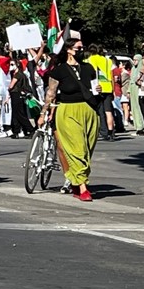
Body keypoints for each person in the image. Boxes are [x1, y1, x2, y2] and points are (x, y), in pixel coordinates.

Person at [42, 34, 99, 201]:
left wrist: (100, 90)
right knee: (77, 149)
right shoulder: (58, 71)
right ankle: (82, 187)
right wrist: (43, 112)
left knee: (87, 150)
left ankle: (75, 182)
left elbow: (95, 88)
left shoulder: (88, 68)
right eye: (78, 48)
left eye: (82, 48)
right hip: (68, 111)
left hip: (89, 110)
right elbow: (50, 94)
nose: (81, 51)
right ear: (68, 50)